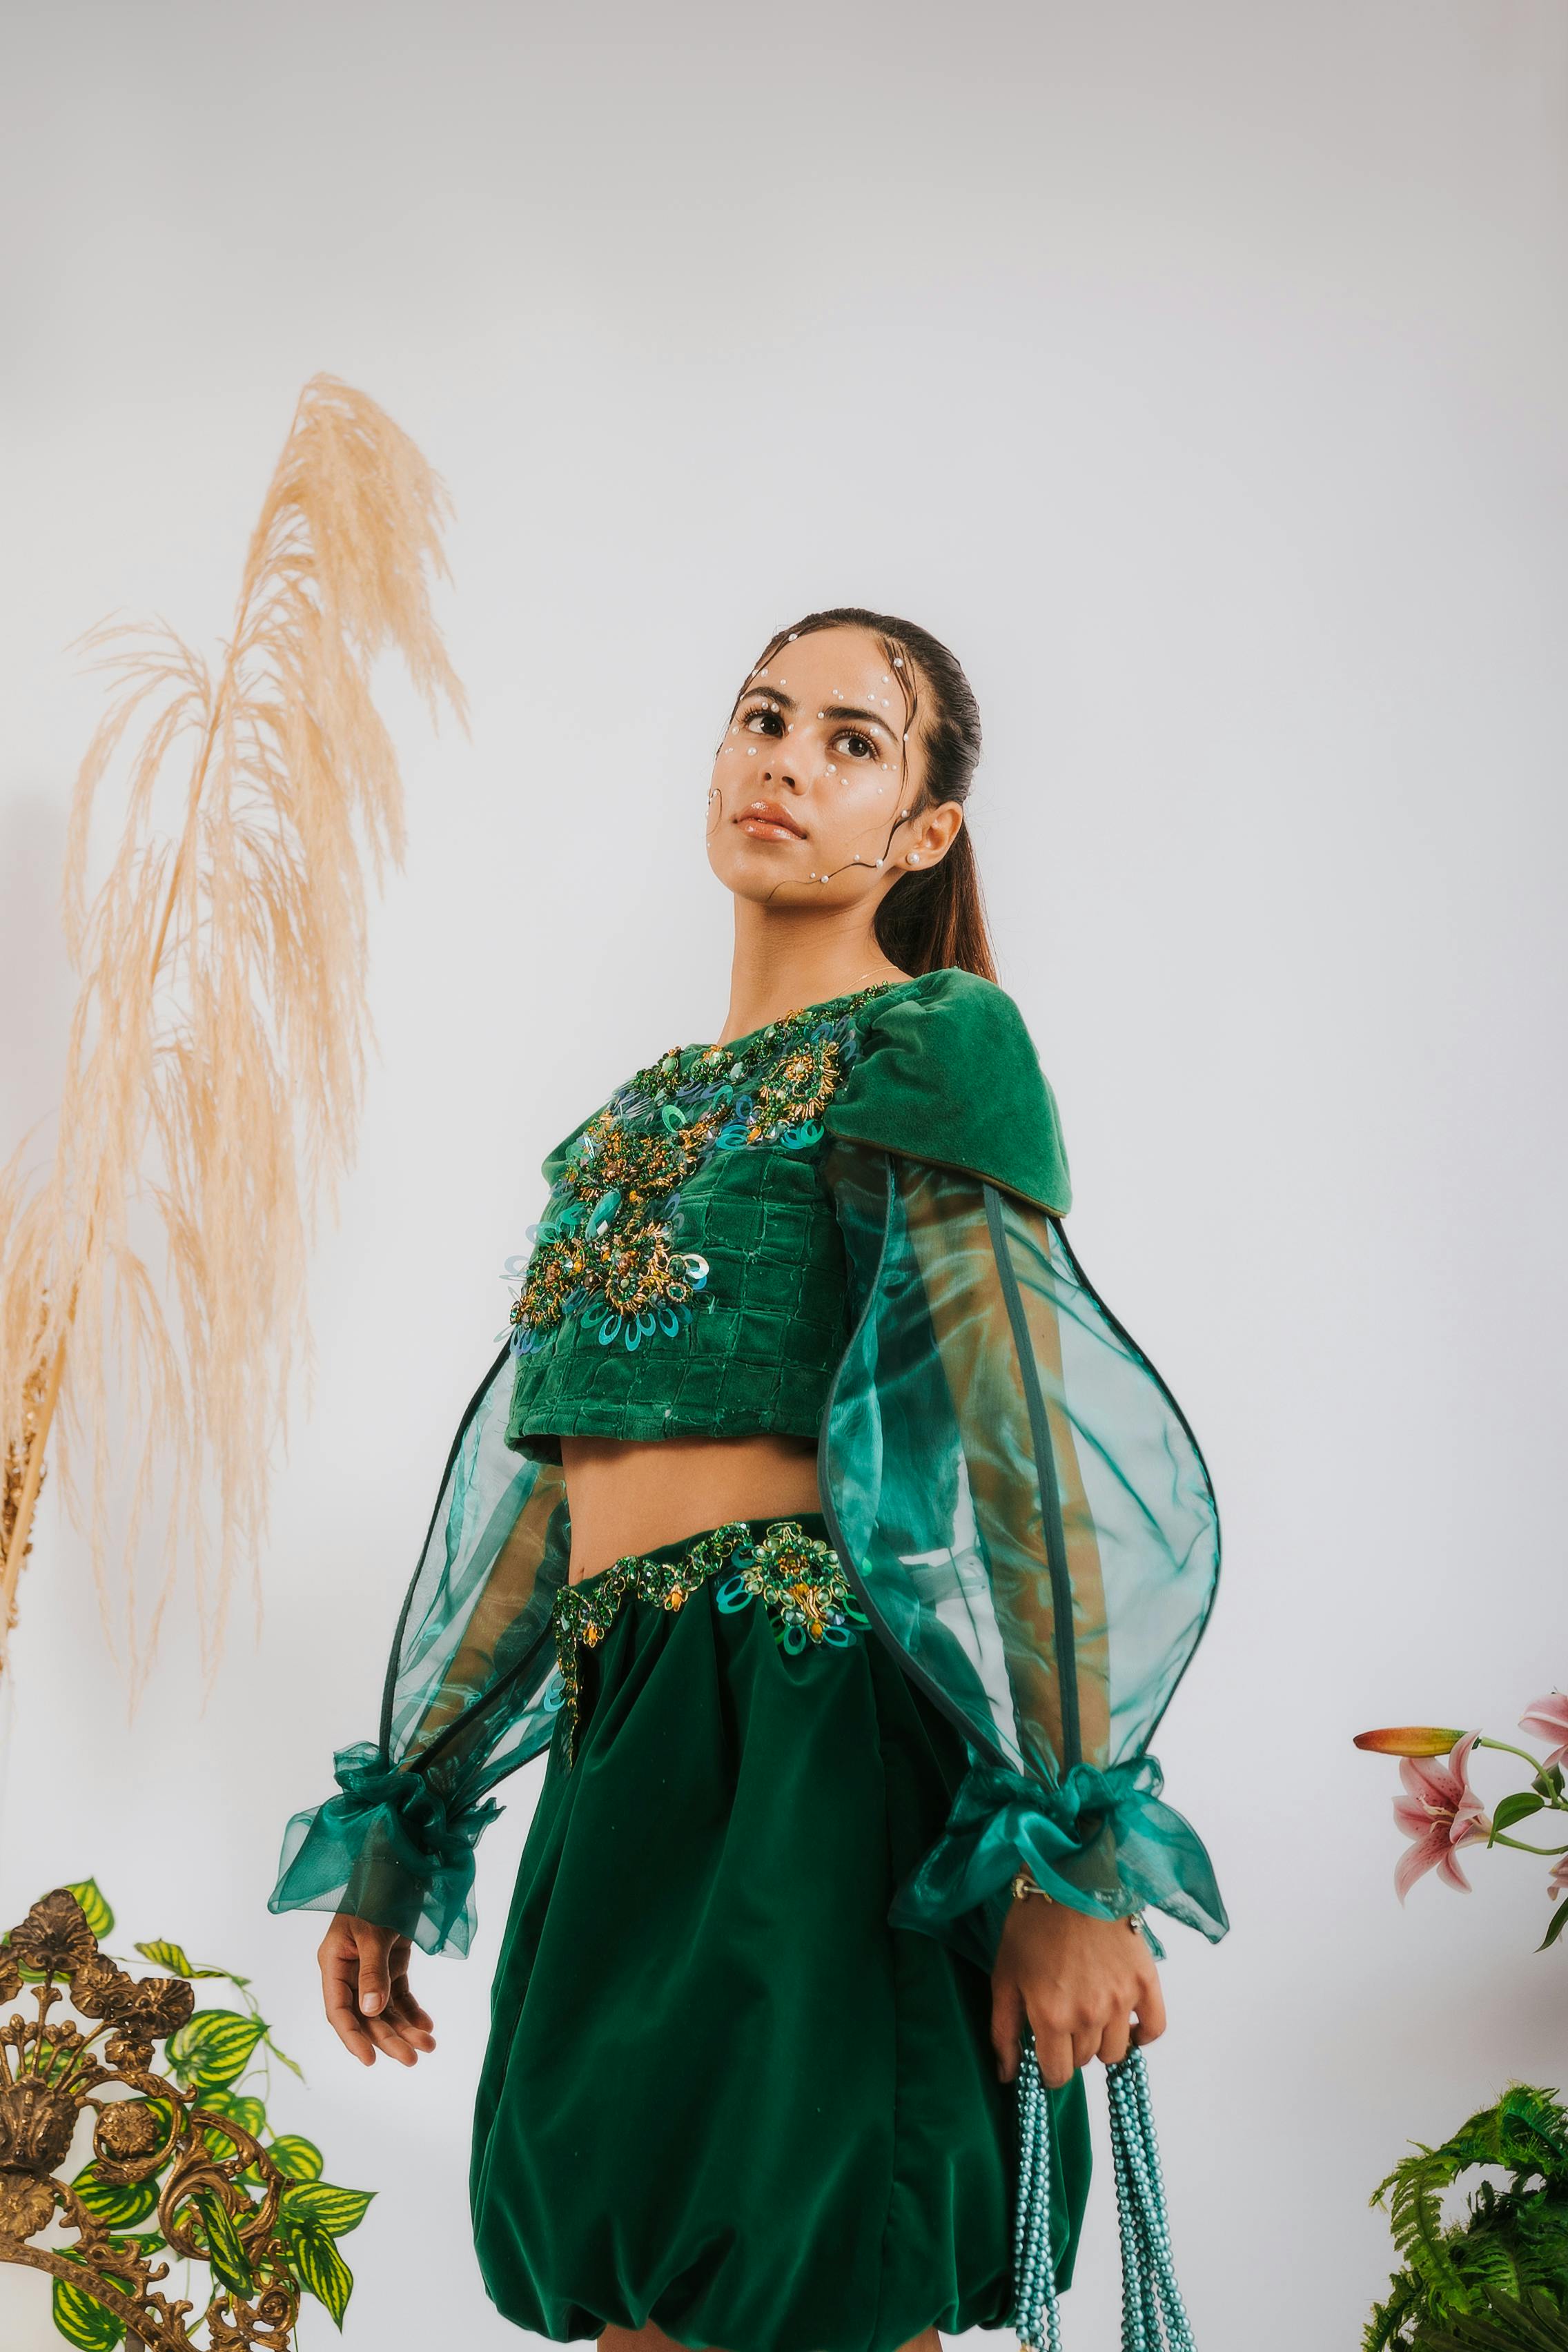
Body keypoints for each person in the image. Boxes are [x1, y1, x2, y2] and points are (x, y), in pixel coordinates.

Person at [269, 607, 1227, 2352]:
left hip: (812, 1751)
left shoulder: (928, 1048)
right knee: (615, 2270)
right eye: (762, 718)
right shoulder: (628, 1124)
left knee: (816, 2268)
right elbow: (539, 1496)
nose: (787, 759)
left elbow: (1024, 1471)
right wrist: (406, 1817)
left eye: (854, 741)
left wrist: (1069, 1865)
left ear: (919, 832)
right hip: (621, 1751)